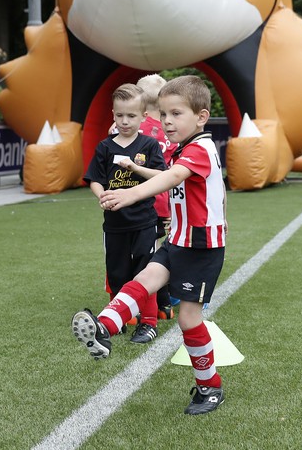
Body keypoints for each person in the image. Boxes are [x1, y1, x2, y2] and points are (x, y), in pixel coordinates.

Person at [72, 75, 227, 415]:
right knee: (143, 281)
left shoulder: (201, 148)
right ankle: (103, 327)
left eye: (175, 114)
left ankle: (210, 388)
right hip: (179, 240)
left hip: (202, 248)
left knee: (188, 319)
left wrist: (128, 193)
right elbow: (175, 180)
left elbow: (170, 178)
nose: (166, 121)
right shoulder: (183, 148)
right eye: (163, 114)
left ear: (200, 117)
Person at [83, 83, 166, 344]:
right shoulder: (105, 147)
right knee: (117, 271)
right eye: (119, 115)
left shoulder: (150, 145)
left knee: (145, 271)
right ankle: (116, 320)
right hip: (115, 224)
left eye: (131, 116)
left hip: (145, 222)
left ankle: (149, 322)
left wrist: (135, 168)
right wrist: (102, 195)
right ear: (113, 114)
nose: (124, 121)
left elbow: (163, 176)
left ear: (144, 117)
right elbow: (94, 179)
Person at [135, 74, 179, 321]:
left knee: (144, 256)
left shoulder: (132, 130)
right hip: (165, 206)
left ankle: (154, 303)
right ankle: (165, 304)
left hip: (139, 205)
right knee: (157, 253)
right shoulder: (169, 132)